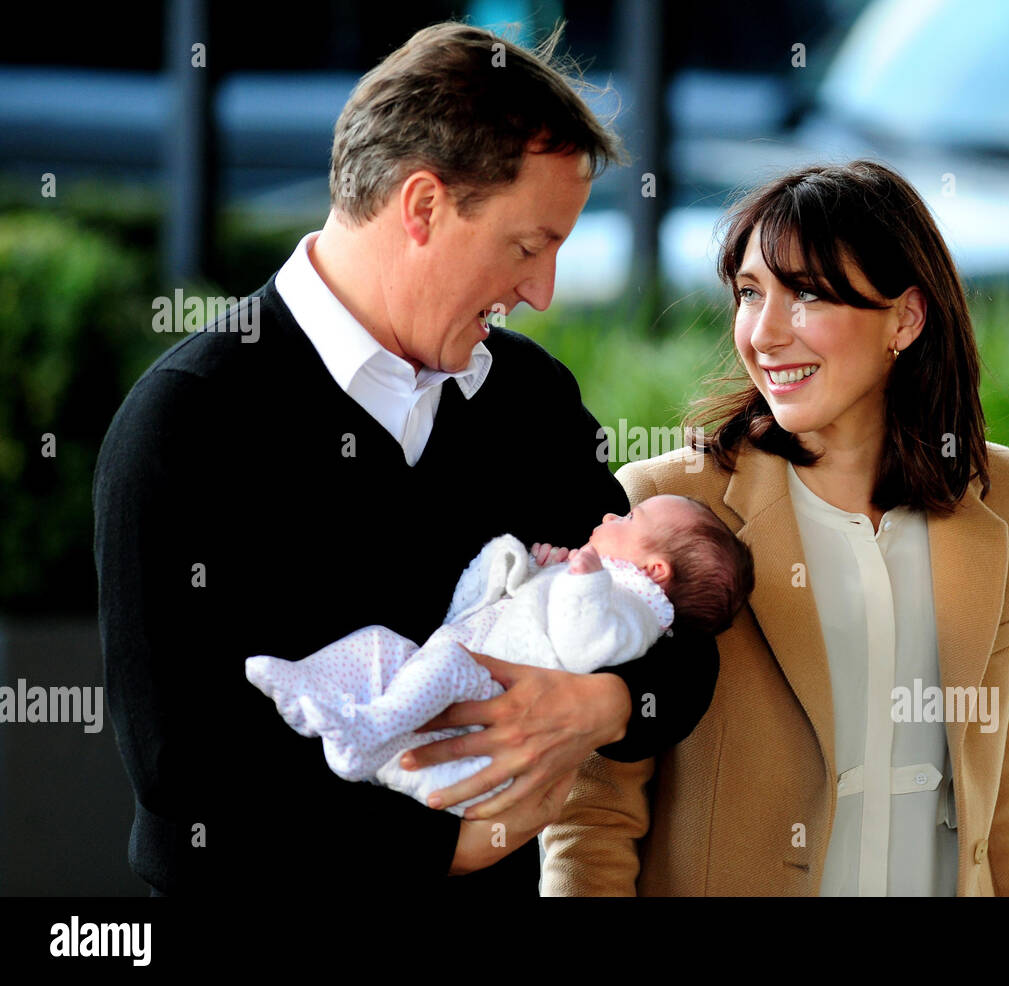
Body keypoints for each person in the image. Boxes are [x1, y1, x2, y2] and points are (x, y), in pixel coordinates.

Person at [91, 22, 720, 897]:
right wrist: (447, 851)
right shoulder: (184, 422)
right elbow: (181, 767)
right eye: (529, 246)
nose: (540, 293)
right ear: (423, 206)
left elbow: (682, 641)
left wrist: (603, 704)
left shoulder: (529, 399)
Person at [541, 160, 1009, 896]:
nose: (764, 333)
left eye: (807, 294)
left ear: (906, 319)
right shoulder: (666, 503)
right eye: (751, 293)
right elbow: (593, 818)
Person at [245, 495, 754, 817]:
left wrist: (580, 578)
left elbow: (584, 644)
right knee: (378, 643)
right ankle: (309, 687)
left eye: (627, 517)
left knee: (439, 671)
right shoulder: (612, 582)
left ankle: (367, 730)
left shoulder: (637, 610)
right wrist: (539, 569)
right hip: (463, 662)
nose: (608, 514)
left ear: (656, 570)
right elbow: (532, 608)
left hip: (487, 696)